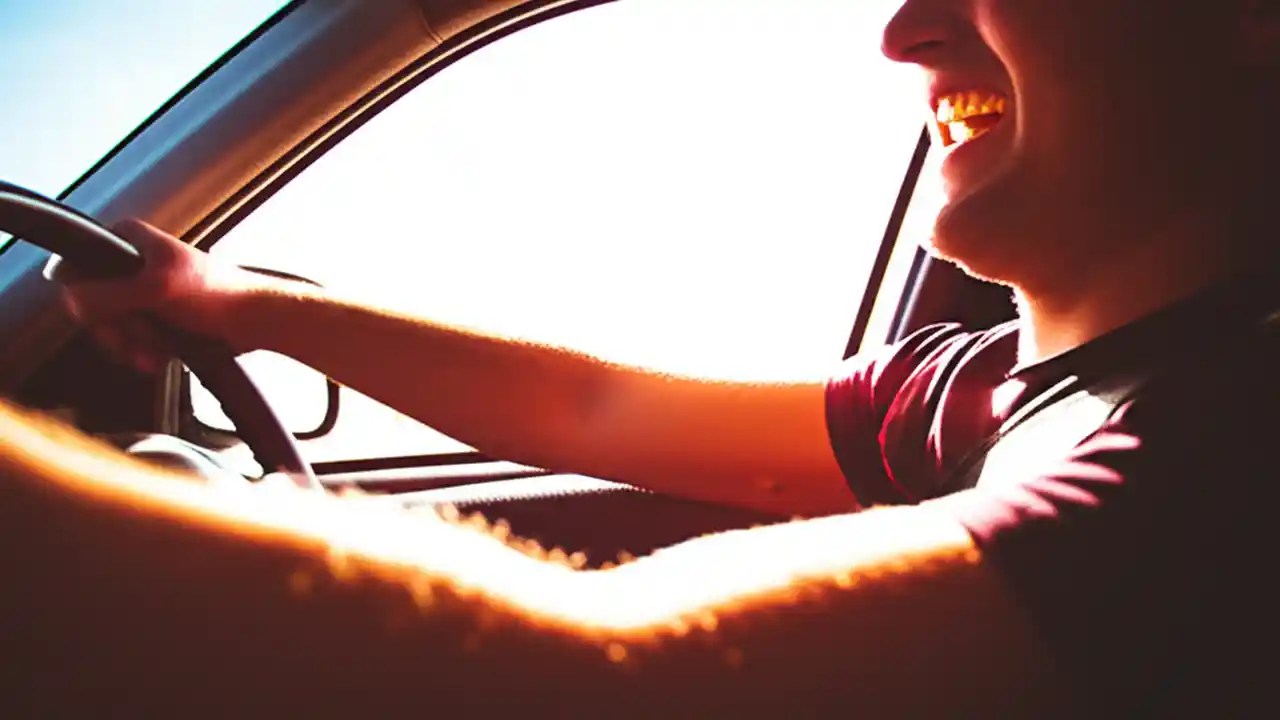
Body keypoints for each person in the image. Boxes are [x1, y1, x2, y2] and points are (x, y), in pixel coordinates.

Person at [2, 0, 1277, 715]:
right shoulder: (983, 388)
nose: (905, 29)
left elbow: (593, 676)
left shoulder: (1226, 451)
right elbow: (597, 407)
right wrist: (233, 301)